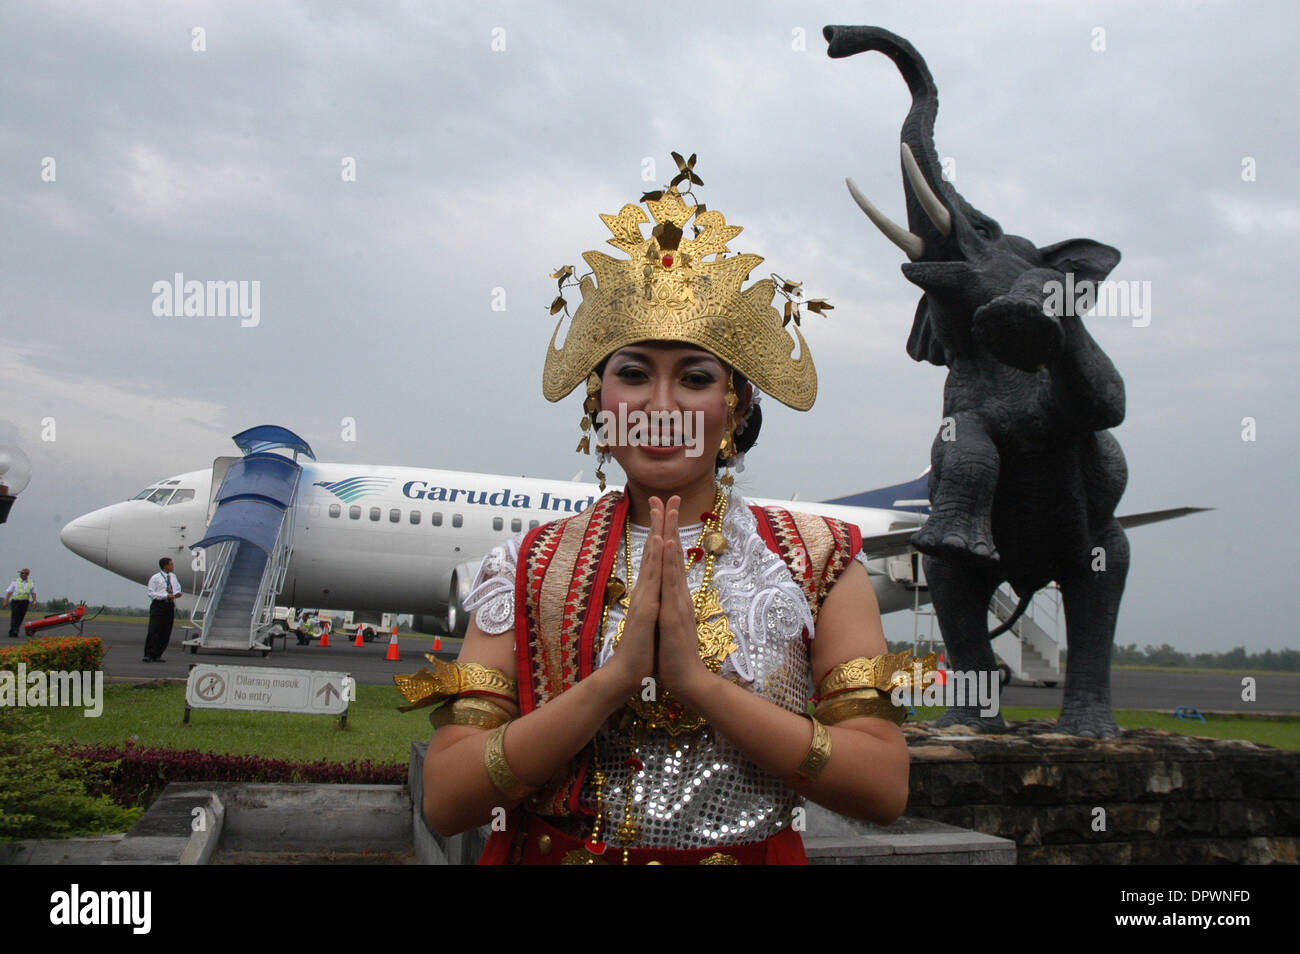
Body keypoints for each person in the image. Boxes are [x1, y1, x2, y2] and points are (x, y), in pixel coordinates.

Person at [396, 156, 922, 864]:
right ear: (599, 404)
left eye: (697, 378)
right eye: (634, 373)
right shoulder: (528, 566)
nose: (662, 406)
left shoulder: (819, 560)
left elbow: (884, 786)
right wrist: (612, 682)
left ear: (736, 408)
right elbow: (449, 796)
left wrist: (697, 684)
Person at [143, 557, 181, 662]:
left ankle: (158, 654)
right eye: (171, 564)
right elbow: (151, 593)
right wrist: (165, 596)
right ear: (165, 566)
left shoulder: (173, 577)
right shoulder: (155, 578)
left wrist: (176, 594)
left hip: (169, 605)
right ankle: (148, 654)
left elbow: (177, 588)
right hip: (158, 605)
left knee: (166, 631)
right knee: (154, 630)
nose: (173, 566)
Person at [4, 568, 36, 638]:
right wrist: (6, 601)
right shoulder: (15, 581)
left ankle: (15, 630)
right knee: (15, 616)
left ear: (27, 574)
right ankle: (14, 631)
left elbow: (33, 593)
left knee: (21, 617)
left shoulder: (31, 582)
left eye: (23, 573)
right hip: (16, 601)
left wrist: (34, 601)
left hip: (25, 602)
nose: (21, 574)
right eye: (21, 573)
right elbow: (9, 592)